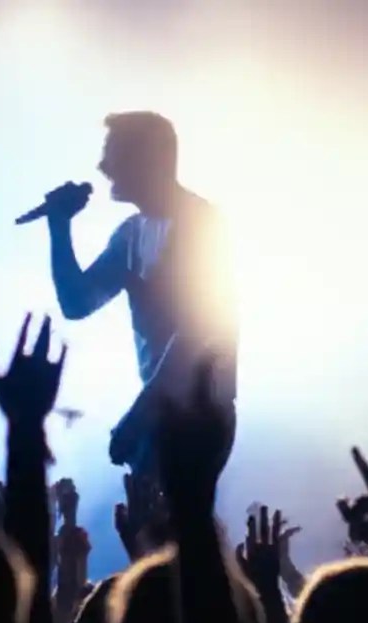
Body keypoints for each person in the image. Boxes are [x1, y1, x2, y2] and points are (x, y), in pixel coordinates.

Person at [33, 111, 239, 476]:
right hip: (161, 409)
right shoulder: (131, 234)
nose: (102, 166)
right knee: (153, 526)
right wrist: (59, 226)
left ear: (146, 159)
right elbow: (77, 303)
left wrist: (141, 413)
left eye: (111, 153)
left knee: (166, 526)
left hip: (197, 412)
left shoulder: (200, 223)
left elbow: (196, 332)